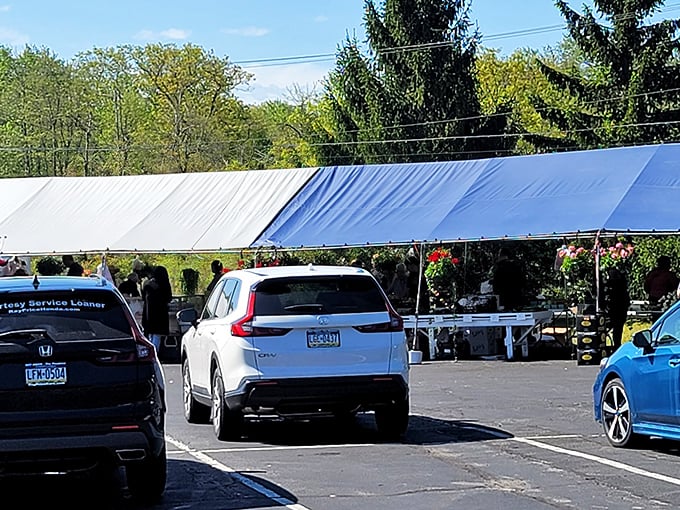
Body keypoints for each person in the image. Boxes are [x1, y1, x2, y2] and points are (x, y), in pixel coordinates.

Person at [142, 265, 172, 351]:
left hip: (149, 313)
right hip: (160, 313)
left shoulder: (148, 285)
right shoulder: (165, 284)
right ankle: (155, 352)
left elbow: (144, 298)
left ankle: (150, 351)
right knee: (157, 334)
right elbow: (168, 298)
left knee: (150, 334)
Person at [491, 247, 525, 311]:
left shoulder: (499, 267)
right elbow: (522, 281)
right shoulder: (516, 265)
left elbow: (496, 283)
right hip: (515, 297)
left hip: (503, 298)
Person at [604, 267, 630, 351]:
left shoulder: (613, 285)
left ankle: (616, 344)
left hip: (616, 308)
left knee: (616, 328)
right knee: (617, 329)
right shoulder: (622, 284)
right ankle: (616, 344)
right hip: (619, 308)